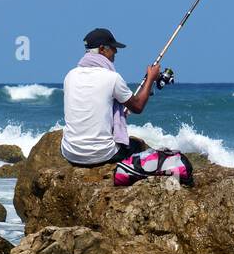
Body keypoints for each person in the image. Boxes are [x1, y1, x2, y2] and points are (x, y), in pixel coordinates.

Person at [60, 27, 161, 167]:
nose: (116, 52)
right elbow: (138, 107)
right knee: (137, 146)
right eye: (113, 48)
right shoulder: (112, 78)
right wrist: (150, 78)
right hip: (103, 154)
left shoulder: (70, 76)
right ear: (102, 49)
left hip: (70, 153)